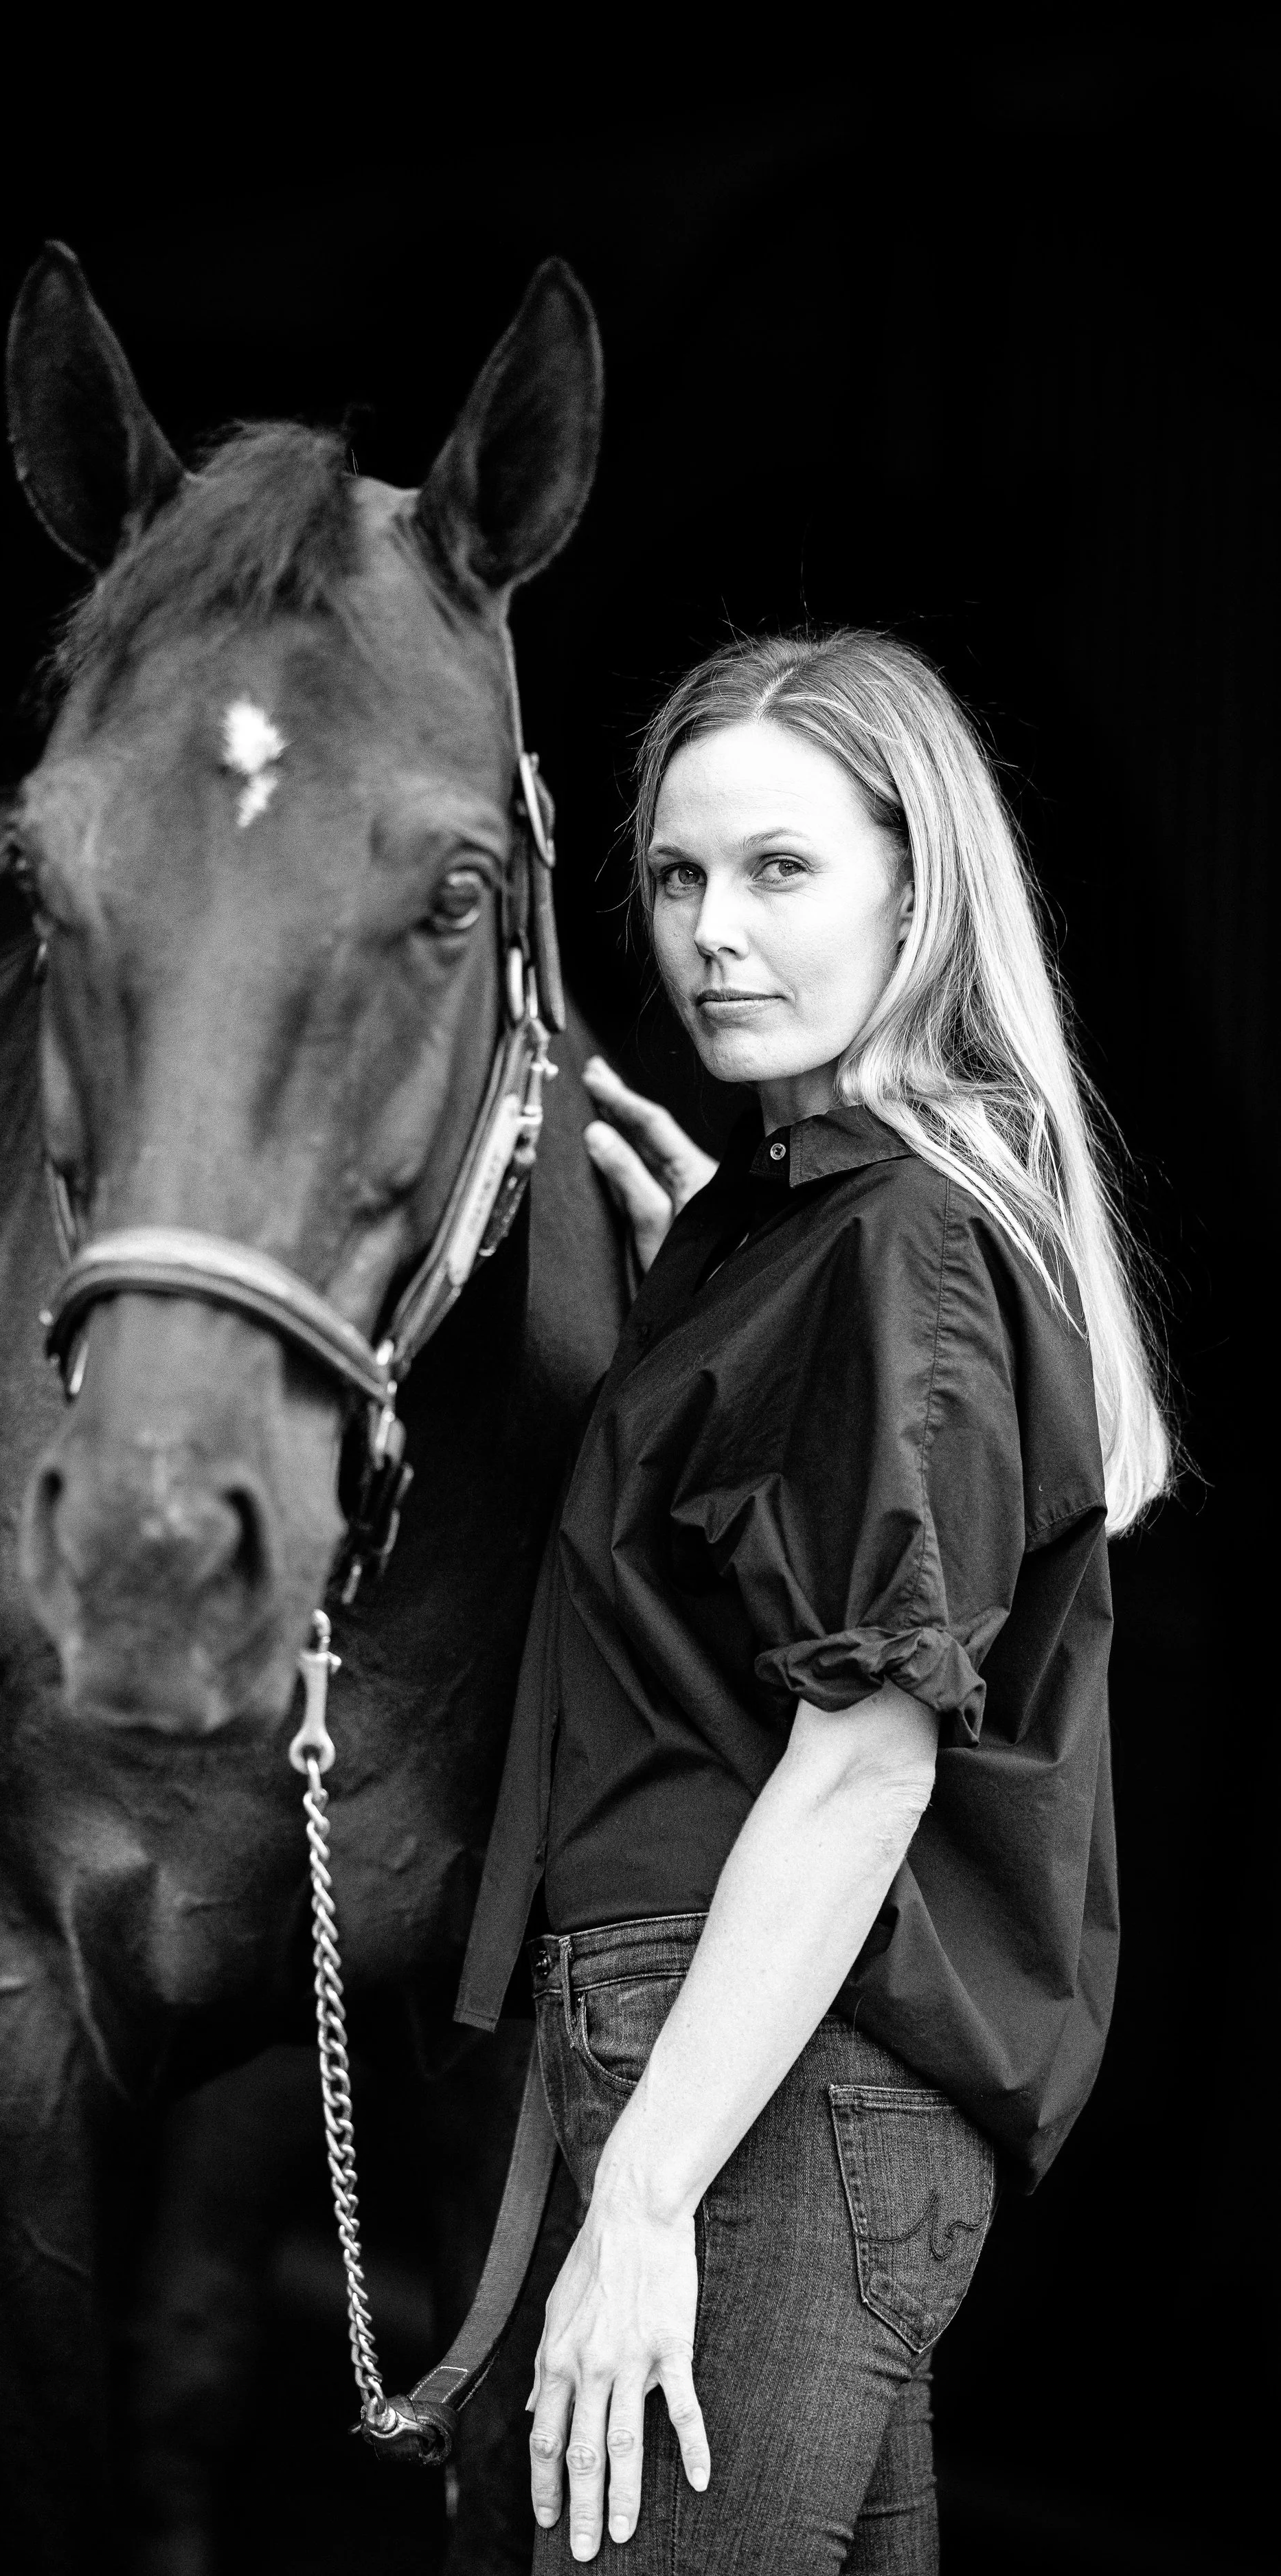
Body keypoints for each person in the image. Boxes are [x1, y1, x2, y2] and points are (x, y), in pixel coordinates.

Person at [454, 631, 1171, 2573]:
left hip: (760, 2089)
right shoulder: (809, 1240)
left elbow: (861, 1770)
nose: (710, 930)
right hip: (746, 2066)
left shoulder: (889, 1259)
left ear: (913, 887)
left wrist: (644, 2199)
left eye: (779, 870)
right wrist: (726, 1279)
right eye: (678, 877)